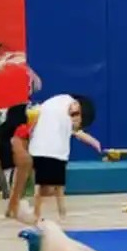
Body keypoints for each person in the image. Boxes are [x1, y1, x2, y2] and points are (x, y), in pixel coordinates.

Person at [26, 93, 101, 223]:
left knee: (57, 186)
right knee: (45, 186)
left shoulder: (58, 105)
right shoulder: (67, 105)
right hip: (47, 149)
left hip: (48, 149)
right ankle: (37, 214)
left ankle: (61, 213)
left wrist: (94, 142)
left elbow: (76, 130)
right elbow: (76, 127)